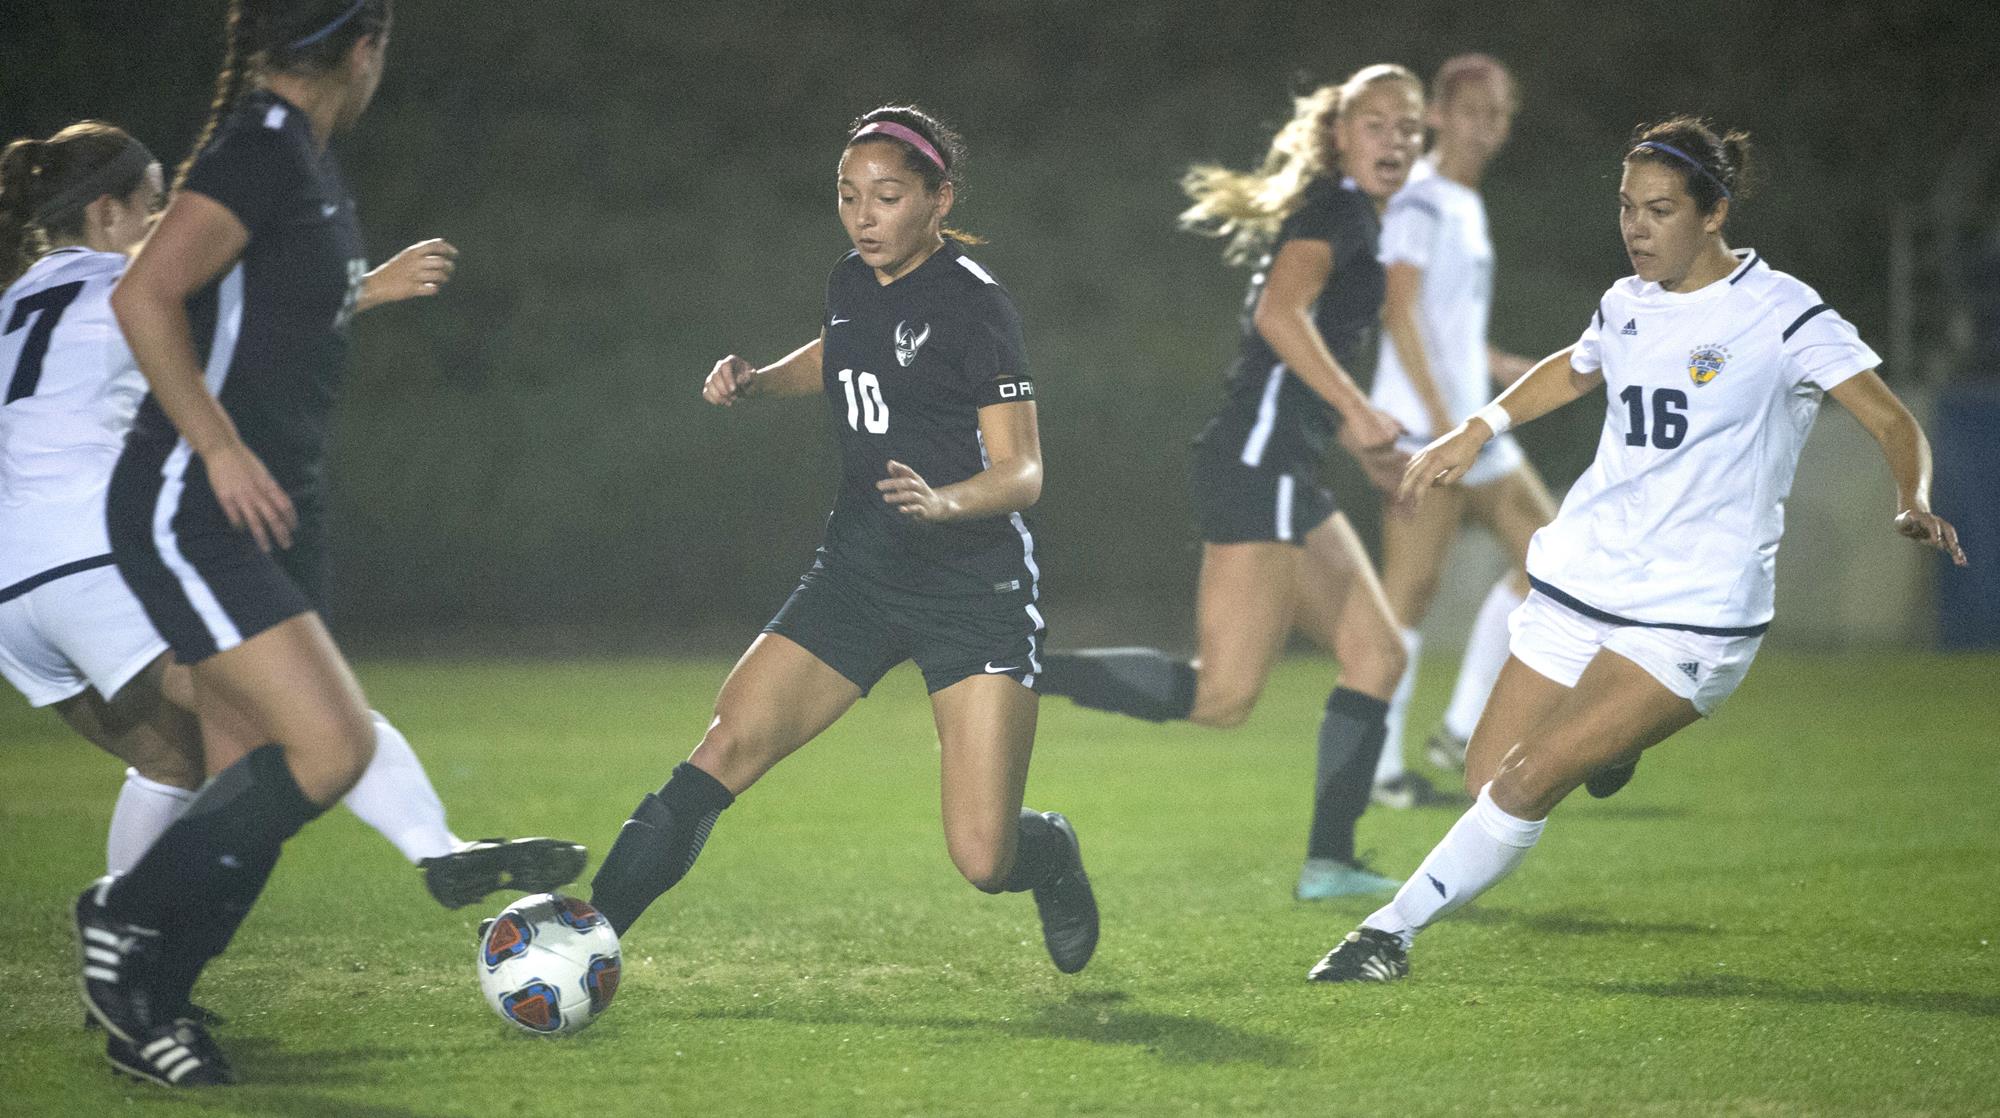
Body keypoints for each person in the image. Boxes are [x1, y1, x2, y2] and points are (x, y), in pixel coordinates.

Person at [1308, 116, 1968, 984]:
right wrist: (1478, 425)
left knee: (1528, 781)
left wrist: (1911, 496)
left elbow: (1888, 418)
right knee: (1485, 780)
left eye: (1660, 210)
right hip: (1585, 580)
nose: (1637, 227)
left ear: (1714, 212)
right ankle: (1610, 744)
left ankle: (1385, 936)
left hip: (1694, 610)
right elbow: (1577, 366)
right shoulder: (1626, 302)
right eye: (1626, 207)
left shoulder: (1782, 312)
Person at [67, 2, 576, 1087]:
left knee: (254, 772)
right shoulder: (258, 144)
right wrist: (215, 446)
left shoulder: (296, 155)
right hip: (191, 503)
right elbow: (143, 291)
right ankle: (123, 919)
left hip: (274, 510)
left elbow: (268, 304)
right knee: (331, 746)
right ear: (364, 47)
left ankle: (150, 1003)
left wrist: (358, 292)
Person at [0, 122, 580, 915]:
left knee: (170, 764)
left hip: (12, 595)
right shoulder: (129, 285)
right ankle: (437, 849)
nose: (166, 220)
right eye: (154, 204)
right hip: (92, 560)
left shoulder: (12, 307)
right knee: (309, 709)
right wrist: (373, 284)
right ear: (106, 213)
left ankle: (124, 969)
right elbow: (262, 315)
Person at [586, 105, 1099, 977]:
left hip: (973, 592)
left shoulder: (979, 308)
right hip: (858, 573)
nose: (864, 216)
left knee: (983, 858)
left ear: (939, 200)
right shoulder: (851, 281)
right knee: (725, 747)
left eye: (888, 196)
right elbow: (840, 354)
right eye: (848, 195)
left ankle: (1046, 851)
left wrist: (946, 501)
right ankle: (586, 935)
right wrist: (758, 382)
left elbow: (1023, 472)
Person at [1035, 66, 1422, 900]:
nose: (1396, 139)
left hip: (1279, 464)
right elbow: (1278, 320)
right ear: (1339, 136)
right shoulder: (1337, 211)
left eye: (1409, 127)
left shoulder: (1351, 218)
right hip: (1257, 465)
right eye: (1377, 123)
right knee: (1224, 696)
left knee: (1377, 653)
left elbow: (1288, 362)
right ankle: (1021, 668)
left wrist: (1361, 445)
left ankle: (1329, 864)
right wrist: (1357, 414)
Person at [1366, 54, 1557, 809]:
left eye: (1501, 112)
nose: (1489, 124)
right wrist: (1447, 422)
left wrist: (1500, 364)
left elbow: (1447, 327)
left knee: (1556, 559)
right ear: (1439, 115)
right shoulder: (1419, 198)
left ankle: (1459, 725)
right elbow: (1398, 309)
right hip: (1426, 426)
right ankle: (1379, 768)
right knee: (1409, 593)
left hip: (1469, 423)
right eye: (1474, 108)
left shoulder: (1466, 205)